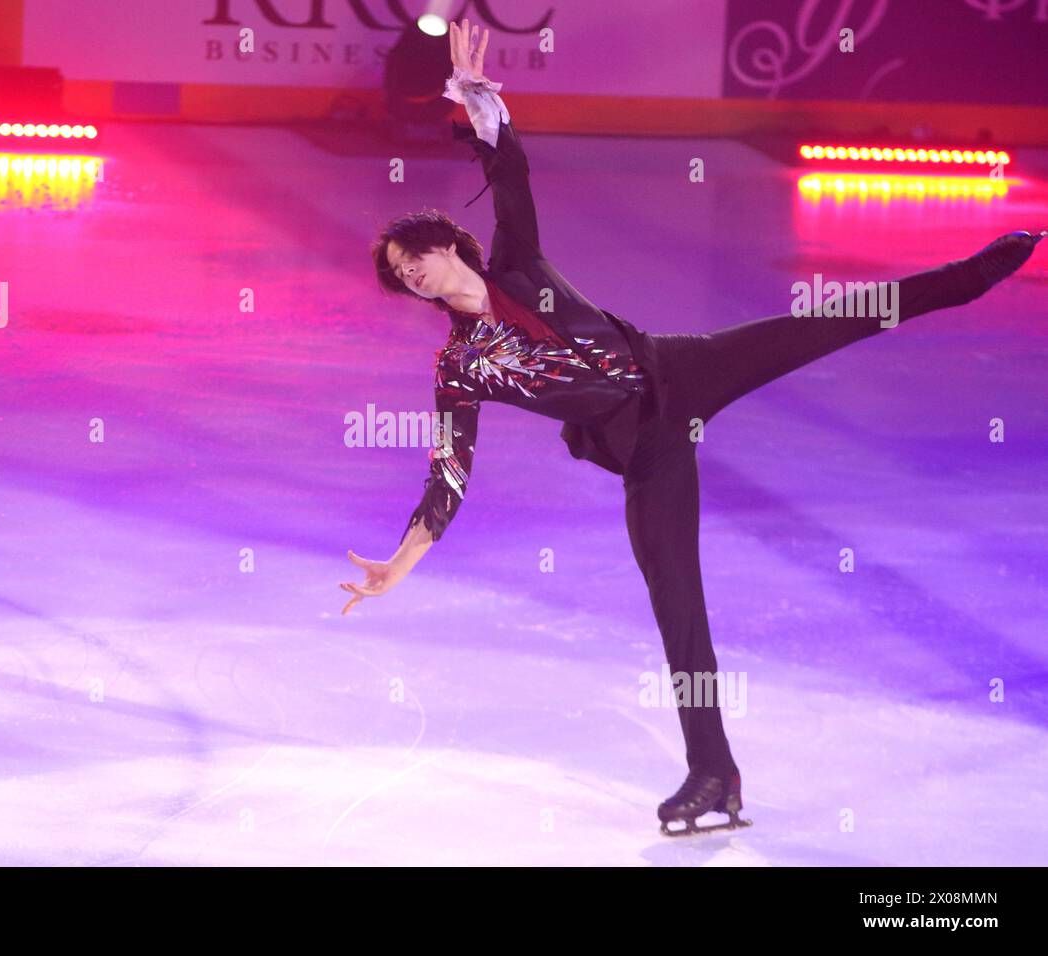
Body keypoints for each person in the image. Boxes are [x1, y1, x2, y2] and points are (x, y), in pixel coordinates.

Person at [340, 18, 1043, 836]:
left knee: (833, 319)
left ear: (444, 245)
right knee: (678, 604)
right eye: (402, 277)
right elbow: (448, 474)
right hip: (647, 447)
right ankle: (714, 773)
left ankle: (976, 272)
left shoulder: (518, 264)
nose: (413, 276)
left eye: (414, 259)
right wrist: (400, 562)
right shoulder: (461, 367)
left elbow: (509, 169)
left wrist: (473, 98)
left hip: (681, 368)